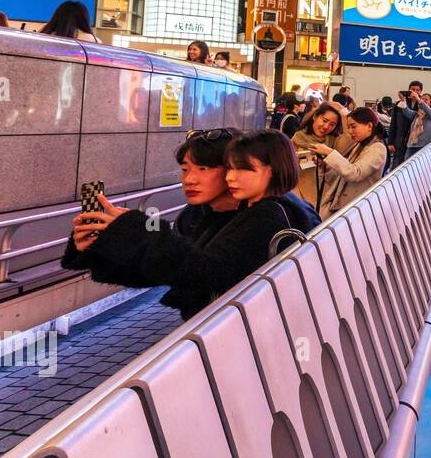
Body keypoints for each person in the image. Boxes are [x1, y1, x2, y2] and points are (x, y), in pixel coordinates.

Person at [67, 130, 318, 320]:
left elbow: (206, 272)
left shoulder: (269, 214)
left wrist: (138, 230)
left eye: (204, 168)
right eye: (185, 169)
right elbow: (167, 269)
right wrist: (100, 246)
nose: (189, 179)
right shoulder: (198, 215)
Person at [309, 106, 388, 219]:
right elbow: (343, 173)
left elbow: (355, 173)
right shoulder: (360, 145)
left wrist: (330, 152)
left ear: (369, 126)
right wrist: (324, 165)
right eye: (348, 127)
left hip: (355, 210)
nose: (350, 131)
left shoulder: (378, 148)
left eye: (353, 126)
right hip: (344, 206)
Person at [291, 101, 349, 208]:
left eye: (332, 124)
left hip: (324, 200)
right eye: (324, 120)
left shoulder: (334, 141)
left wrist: (343, 111)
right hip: (298, 198)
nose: (326, 126)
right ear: (315, 117)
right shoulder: (297, 138)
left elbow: (349, 136)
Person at [401, 91, 431, 158]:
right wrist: (403, 100)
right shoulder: (416, 114)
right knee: (407, 166)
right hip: (411, 145)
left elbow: (427, 109)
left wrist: (418, 98)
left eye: (426, 99)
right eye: (422, 99)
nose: (423, 101)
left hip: (424, 147)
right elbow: (406, 111)